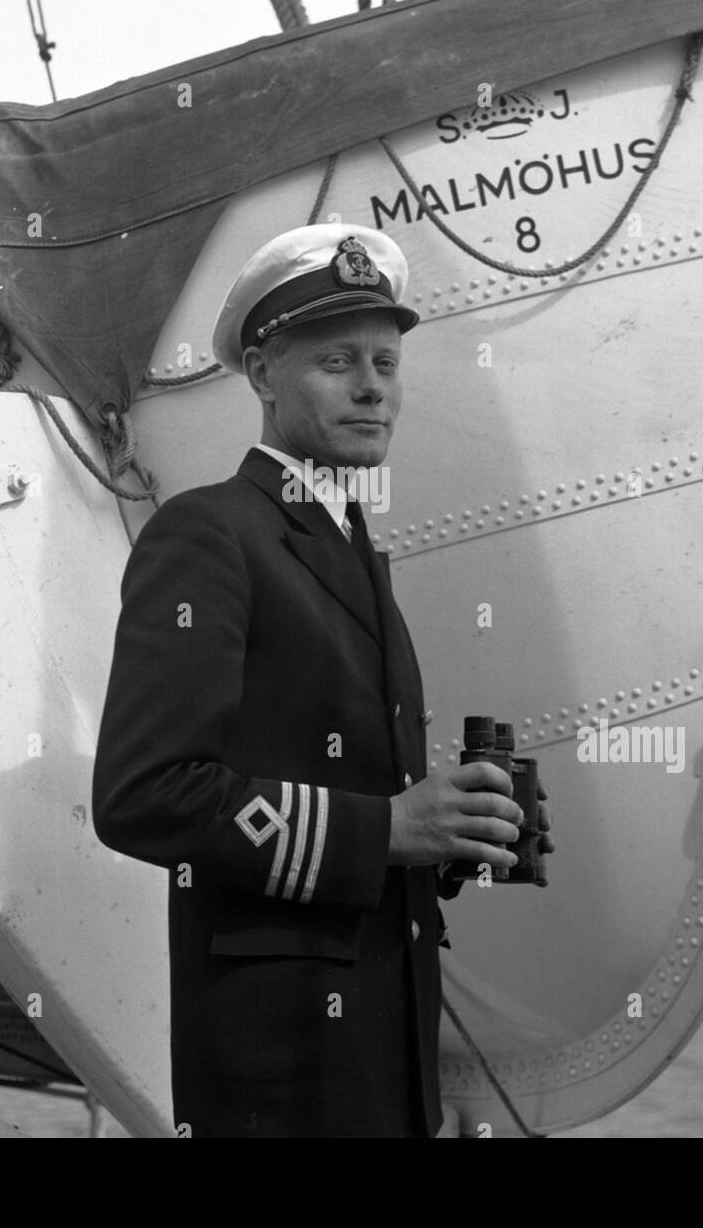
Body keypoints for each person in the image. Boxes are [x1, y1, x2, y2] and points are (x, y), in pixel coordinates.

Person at [92, 222, 538, 1138]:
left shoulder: (353, 550)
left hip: (382, 1060)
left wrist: (449, 835)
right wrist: (390, 826)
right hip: (280, 1071)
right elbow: (146, 795)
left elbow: (365, 816)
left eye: (386, 361)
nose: (374, 386)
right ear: (260, 374)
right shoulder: (207, 535)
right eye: (338, 360)